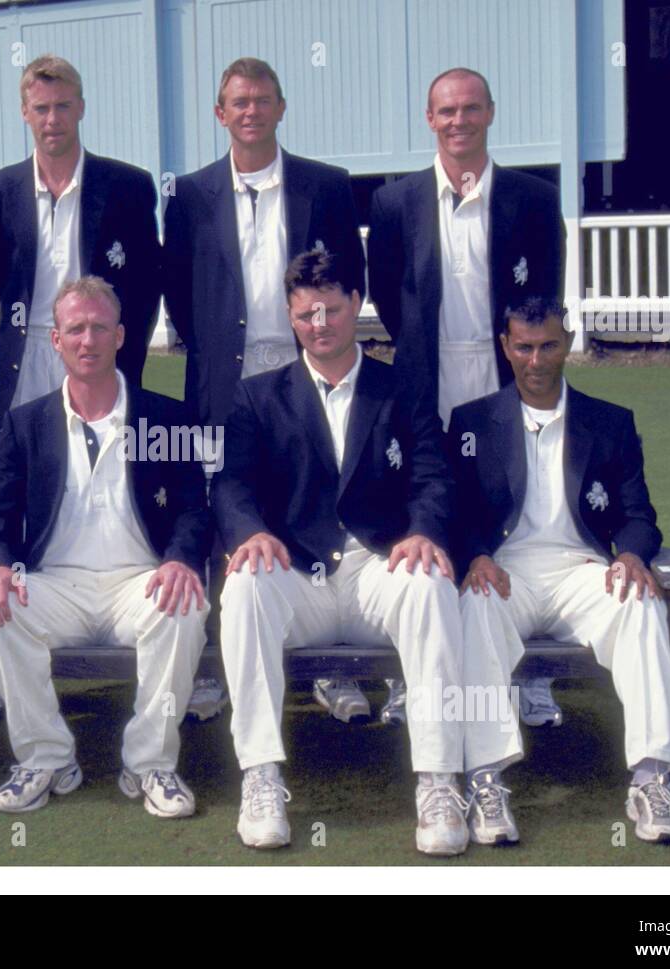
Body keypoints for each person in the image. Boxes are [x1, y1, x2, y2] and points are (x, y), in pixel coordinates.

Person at [212, 250, 468, 855]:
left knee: (431, 584)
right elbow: (231, 485)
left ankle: (437, 781)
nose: (319, 323)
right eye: (305, 314)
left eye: (330, 308)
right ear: (291, 317)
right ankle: (261, 776)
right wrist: (249, 531)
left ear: (357, 304)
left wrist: (424, 531)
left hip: (379, 567)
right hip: (300, 574)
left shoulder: (400, 389)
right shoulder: (257, 398)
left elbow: (434, 476)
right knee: (245, 584)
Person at [162, 56, 368, 723]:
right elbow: (178, 285)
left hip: (309, 367)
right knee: (229, 512)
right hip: (224, 380)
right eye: (237, 102)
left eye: (262, 100)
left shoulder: (326, 186)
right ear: (220, 114)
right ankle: (223, 664)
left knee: (314, 498)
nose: (250, 111)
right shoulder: (190, 194)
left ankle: (334, 664)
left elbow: (345, 275)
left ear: (281, 107)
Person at [367, 66, 567, 729]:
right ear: (430, 120)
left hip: (505, 377)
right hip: (427, 381)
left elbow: (543, 300)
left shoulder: (532, 200)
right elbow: (390, 295)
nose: (459, 121)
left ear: (490, 113)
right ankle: (412, 672)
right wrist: (425, 356)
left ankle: (529, 671)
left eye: (471, 109)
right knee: (422, 514)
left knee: (510, 507)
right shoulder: (395, 202)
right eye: (446, 111)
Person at [0, 276, 211, 818]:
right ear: (56, 340)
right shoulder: (26, 423)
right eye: (75, 328)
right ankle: (46, 756)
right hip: (56, 585)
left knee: (185, 603)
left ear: (122, 336)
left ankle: (150, 764)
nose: (87, 340)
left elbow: (195, 508)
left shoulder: (163, 417)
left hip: (140, 583)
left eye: (100, 327)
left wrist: (179, 559)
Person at [451, 297, 670, 846]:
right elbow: (452, 513)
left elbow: (639, 516)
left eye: (549, 345)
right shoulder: (471, 423)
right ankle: (485, 778)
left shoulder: (611, 423)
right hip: (506, 572)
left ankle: (652, 775)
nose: (536, 359)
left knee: (642, 602)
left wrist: (629, 553)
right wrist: (474, 556)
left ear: (569, 343)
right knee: (474, 606)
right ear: (506, 348)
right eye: (524, 347)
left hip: (584, 570)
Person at [0, 54, 162, 448]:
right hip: (27, 356)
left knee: (105, 473)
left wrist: (119, 349)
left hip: (97, 352)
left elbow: (146, 285)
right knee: (25, 481)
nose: (52, 119)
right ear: (25, 112)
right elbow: (3, 279)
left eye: (62, 106)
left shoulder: (128, 186)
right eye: (41, 108)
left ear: (81, 107)